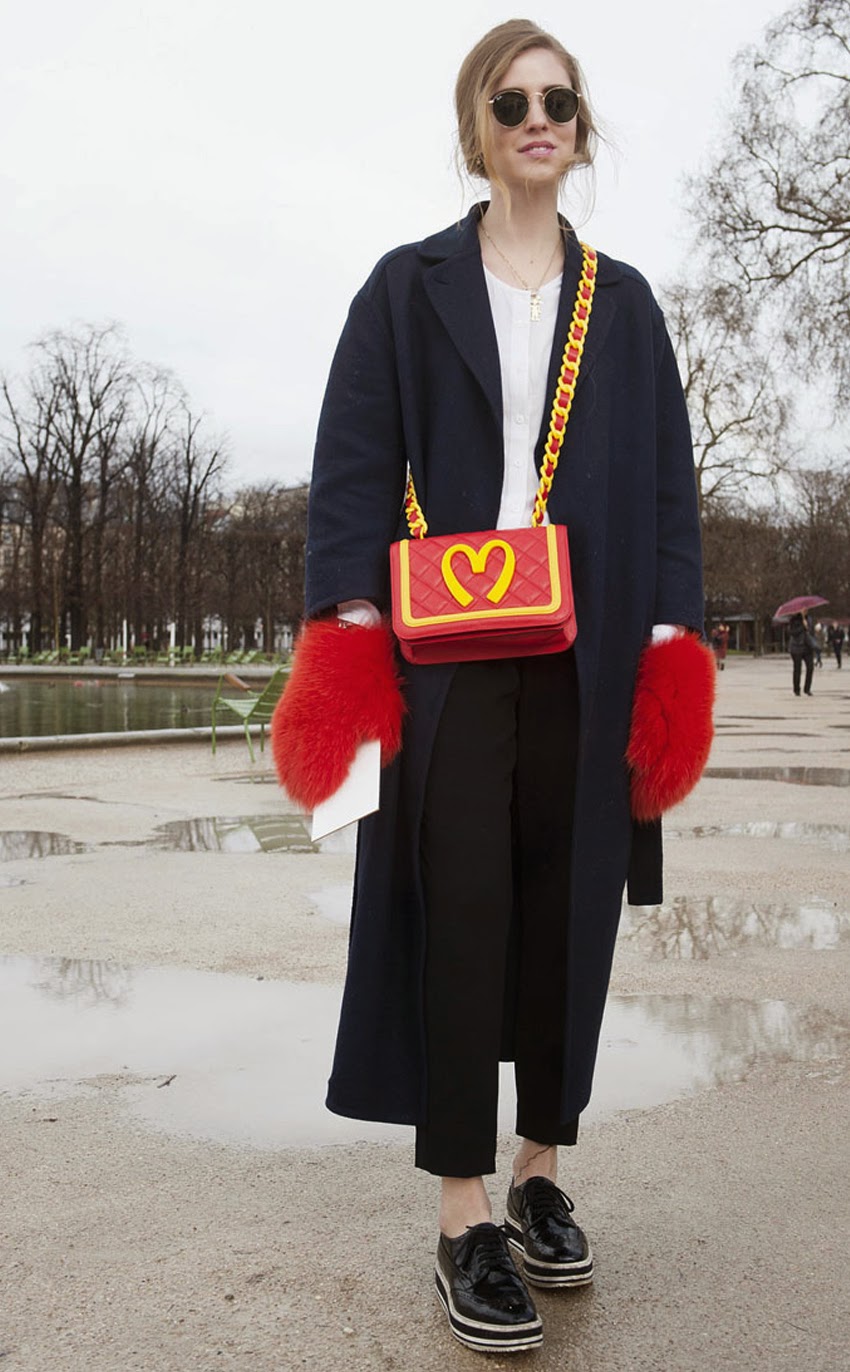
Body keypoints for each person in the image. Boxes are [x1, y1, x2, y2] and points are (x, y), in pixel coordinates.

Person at [272, 20, 713, 1355]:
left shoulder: (624, 303)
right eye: (510, 101)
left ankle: (538, 1173)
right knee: (454, 908)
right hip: (444, 652)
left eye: (558, 102)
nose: (537, 120)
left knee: (566, 909)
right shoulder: (403, 289)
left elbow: (667, 488)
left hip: (588, 645)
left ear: (580, 128)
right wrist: (349, 634)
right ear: (477, 125)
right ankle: (462, 1210)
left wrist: (667, 643)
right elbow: (354, 464)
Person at [788, 612, 814, 695]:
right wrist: (803, 626)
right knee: (797, 669)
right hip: (797, 647)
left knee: (810, 667)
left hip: (807, 647)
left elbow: (811, 632)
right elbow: (792, 632)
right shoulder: (793, 619)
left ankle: (807, 688)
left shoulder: (809, 619)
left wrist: (808, 628)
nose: (805, 610)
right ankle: (796, 689)